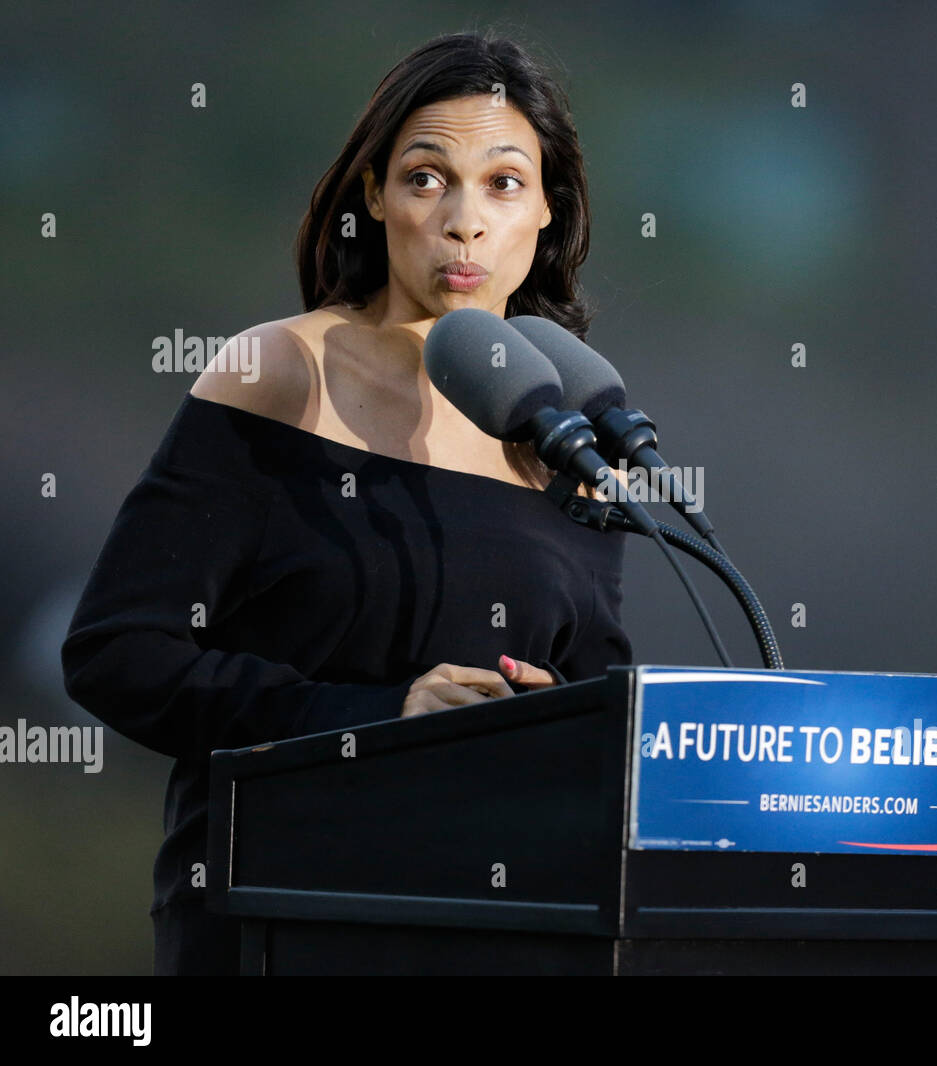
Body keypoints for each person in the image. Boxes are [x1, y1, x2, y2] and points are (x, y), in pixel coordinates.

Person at [60, 32, 633, 976]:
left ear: (545, 211)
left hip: (504, 930)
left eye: (501, 184)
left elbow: (600, 706)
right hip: (280, 922)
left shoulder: (566, 431)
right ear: (372, 196)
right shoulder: (279, 373)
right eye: (424, 178)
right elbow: (117, 653)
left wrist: (549, 714)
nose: (463, 222)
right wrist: (377, 715)